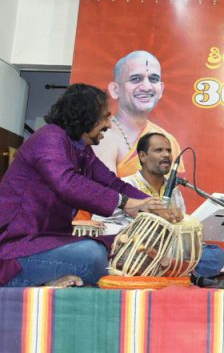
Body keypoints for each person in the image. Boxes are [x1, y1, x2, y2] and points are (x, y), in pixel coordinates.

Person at [0, 84, 167, 287]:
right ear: (85, 116)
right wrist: (124, 203)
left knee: (122, 246)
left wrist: (155, 206)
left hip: (49, 242)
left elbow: (113, 183)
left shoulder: (82, 151)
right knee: (92, 254)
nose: (109, 124)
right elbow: (67, 183)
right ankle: (34, 282)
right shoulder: (48, 138)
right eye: (105, 117)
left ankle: (49, 281)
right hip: (17, 249)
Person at [94, 132, 224, 278]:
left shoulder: (174, 191)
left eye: (168, 150)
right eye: (159, 150)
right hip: (138, 251)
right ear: (143, 156)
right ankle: (172, 269)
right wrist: (136, 236)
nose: (166, 155)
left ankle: (166, 266)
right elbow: (100, 224)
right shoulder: (126, 185)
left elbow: (179, 227)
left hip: (170, 250)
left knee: (216, 255)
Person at [93, 50, 183, 177]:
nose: (146, 87)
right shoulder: (102, 136)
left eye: (154, 79)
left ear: (161, 89)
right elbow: (105, 192)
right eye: (135, 79)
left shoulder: (168, 140)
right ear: (115, 89)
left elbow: (173, 193)